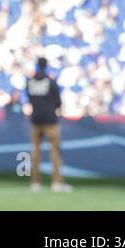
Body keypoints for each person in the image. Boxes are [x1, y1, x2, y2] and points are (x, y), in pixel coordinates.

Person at [26, 57, 71, 192]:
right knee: (55, 151)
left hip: (35, 120)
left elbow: (29, 98)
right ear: (46, 66)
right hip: (50, 120)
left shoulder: (30, 82)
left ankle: (35, 183)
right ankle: (56, 182)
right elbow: (58, 102)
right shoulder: (51, 82)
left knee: (35, 151)